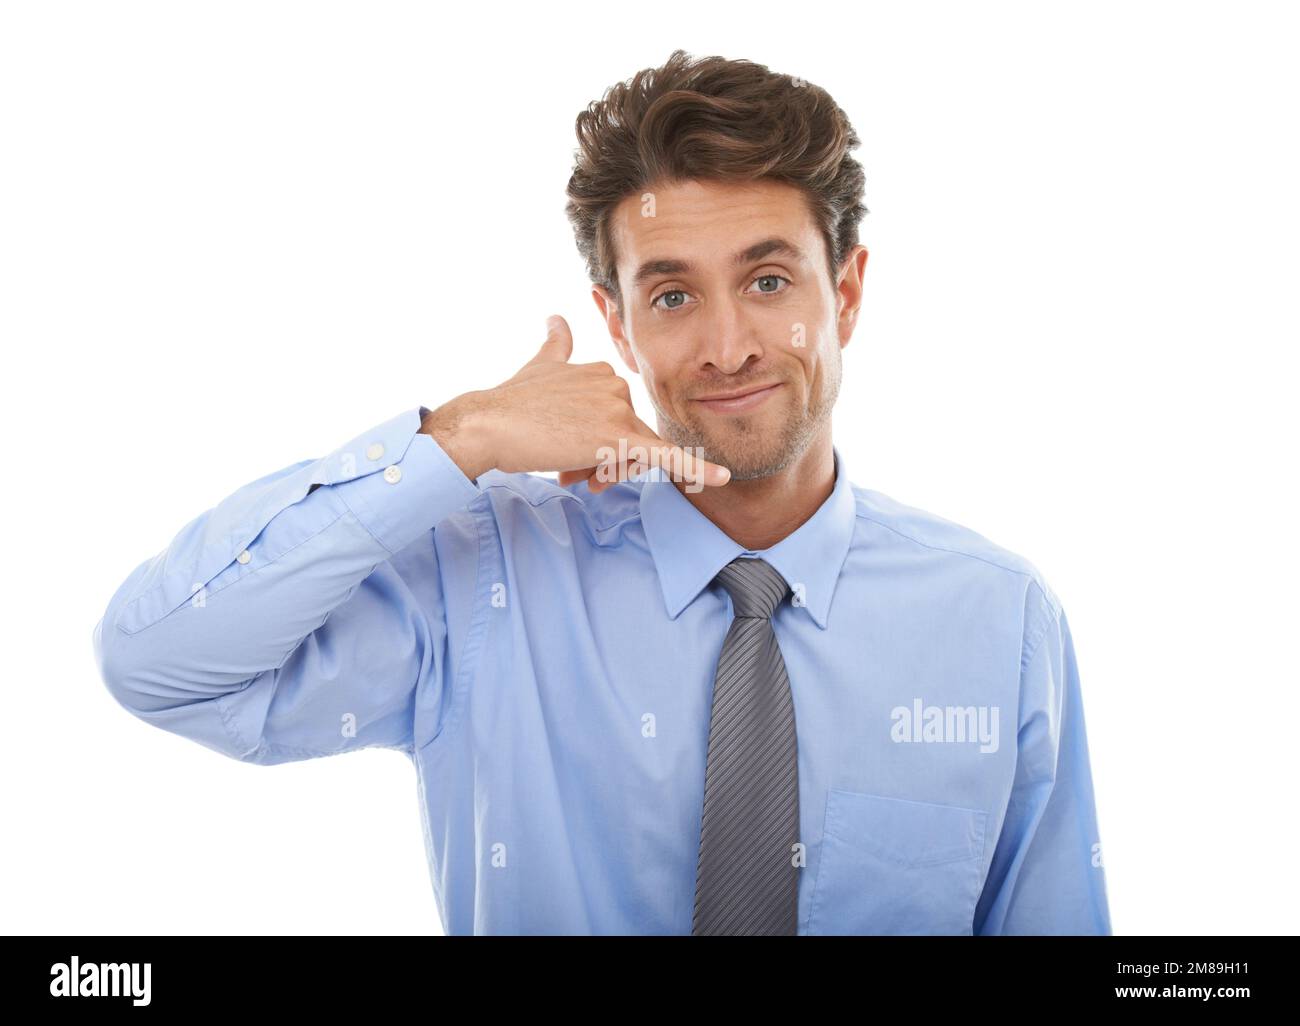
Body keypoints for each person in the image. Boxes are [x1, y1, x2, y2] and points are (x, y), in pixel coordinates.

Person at [93, 49, 1111, 935]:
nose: (726, 347)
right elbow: (162, 663)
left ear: (843, 292)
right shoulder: (486, 581)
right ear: (616, 327)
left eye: (767, 281)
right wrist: (461, 437)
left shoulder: (998, 618)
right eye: (671, 295)